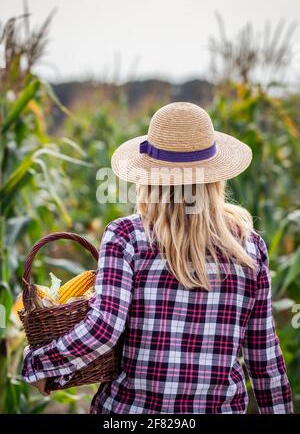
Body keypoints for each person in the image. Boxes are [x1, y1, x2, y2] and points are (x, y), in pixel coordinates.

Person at [22, 102, 293, 414]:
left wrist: (39, 363)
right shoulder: (248, 247)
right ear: (215, 177)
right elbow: (265, 360)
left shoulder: (126, 237)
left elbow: (102, 330)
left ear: (150, 177)